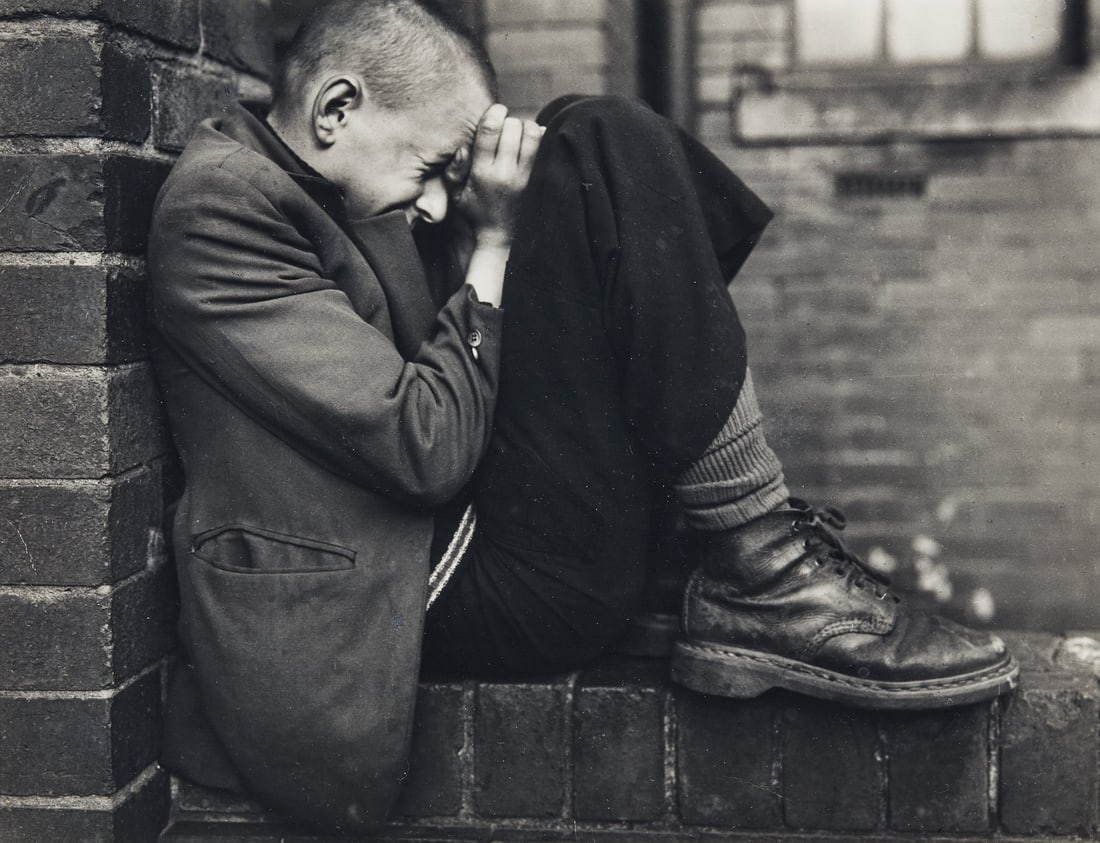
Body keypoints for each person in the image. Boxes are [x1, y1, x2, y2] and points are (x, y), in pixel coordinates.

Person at [147, 0, 1018, 834]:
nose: (439, 202)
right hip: (422, 597)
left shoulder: (335, 181)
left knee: (576, 132)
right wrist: (492, 242)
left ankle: (750, 555)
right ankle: (764, 567)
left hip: (470, 540)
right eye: (430, 170)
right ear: (337, 107)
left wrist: (513, 217)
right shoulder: (225, 209)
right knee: (598, 140)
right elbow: (422, 443)